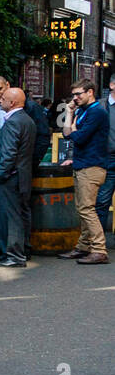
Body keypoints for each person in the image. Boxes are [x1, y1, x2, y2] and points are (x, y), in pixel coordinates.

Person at [59, 78, 108, 265]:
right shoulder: (82, 110)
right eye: (73, 95)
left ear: (90, 92)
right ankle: (84, 246)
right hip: (83, 164)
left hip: (92, 166)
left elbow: (78, 137)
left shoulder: (97, 112)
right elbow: (66, 134)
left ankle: (99, 249)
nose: (75, 98)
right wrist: (69, 114)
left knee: (87, 209)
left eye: (78, 94)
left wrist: (73, 130)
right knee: (83, 208)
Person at [0, 88, 36, 268]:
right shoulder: (26, 120)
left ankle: (15, 256)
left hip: (10, 178)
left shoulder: (14, 122)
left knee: (12, 217)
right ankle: (22, 250)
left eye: (4, 98)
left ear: (12, 103)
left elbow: (9, 154)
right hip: (20, 176)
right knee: (21, 215)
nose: (0, 100)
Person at [0, 76, 49, 169]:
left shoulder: (30, 107)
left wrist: (32, 161)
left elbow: (43, 135)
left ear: (7, 85)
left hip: (21, 165)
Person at [97, 77, 115, 233]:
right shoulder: (99, 106)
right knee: (102, 201)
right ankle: (98, 243)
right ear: (112, 85)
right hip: (107, 159)